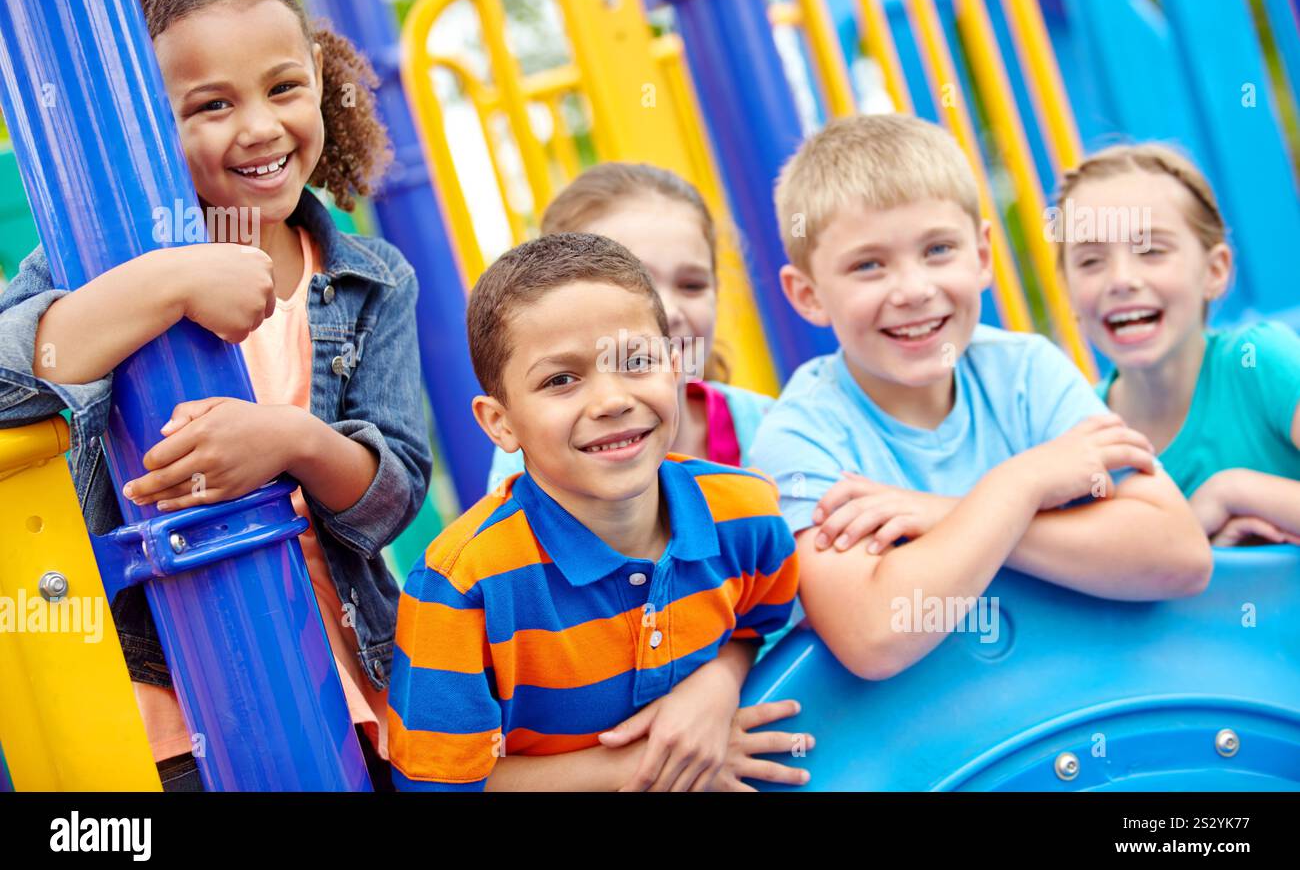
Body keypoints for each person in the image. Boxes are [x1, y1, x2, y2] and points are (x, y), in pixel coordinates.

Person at [0, 0, 431, 790]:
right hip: (167, 701)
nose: (260, 127)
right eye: (212, 105)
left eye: (283, 88)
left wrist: (292, 442)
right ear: (146, 122)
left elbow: (392, 495)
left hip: (346, 682)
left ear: (319, 80)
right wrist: (167, 284)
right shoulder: (94, 264)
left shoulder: (373, 279)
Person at [748, 114, 1212, 680]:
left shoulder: (1026, 372)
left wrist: (940, 515)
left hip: (1072, 696)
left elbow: (1177, 554)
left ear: (983, 255)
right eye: (868, 265)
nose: (914, 290)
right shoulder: (799, 437)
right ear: (808, 294)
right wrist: (1022, 485)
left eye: (938, 249)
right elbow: (875, 635)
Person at [388, 233, 807, 790]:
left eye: (636, 361)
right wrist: (644, 764)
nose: (611, 400)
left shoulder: (747, 513)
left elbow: (758, 622)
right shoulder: (461, 585)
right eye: (560, 380)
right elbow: (438, 784)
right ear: (500, 423)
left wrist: (715, 686)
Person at [1056, 142, 1300, 546]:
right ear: (1068, 291)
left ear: (1215, 271)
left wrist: (1233, 493)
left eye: (1152, 251)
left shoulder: (1258, 363)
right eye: (1091, 261)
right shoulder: (1080, 435)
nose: (1121, 279)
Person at [487, 163, 772, 492]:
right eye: (638, 285)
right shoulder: (529, 457)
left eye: (692, 285)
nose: (670, 311)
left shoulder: (774, 427)